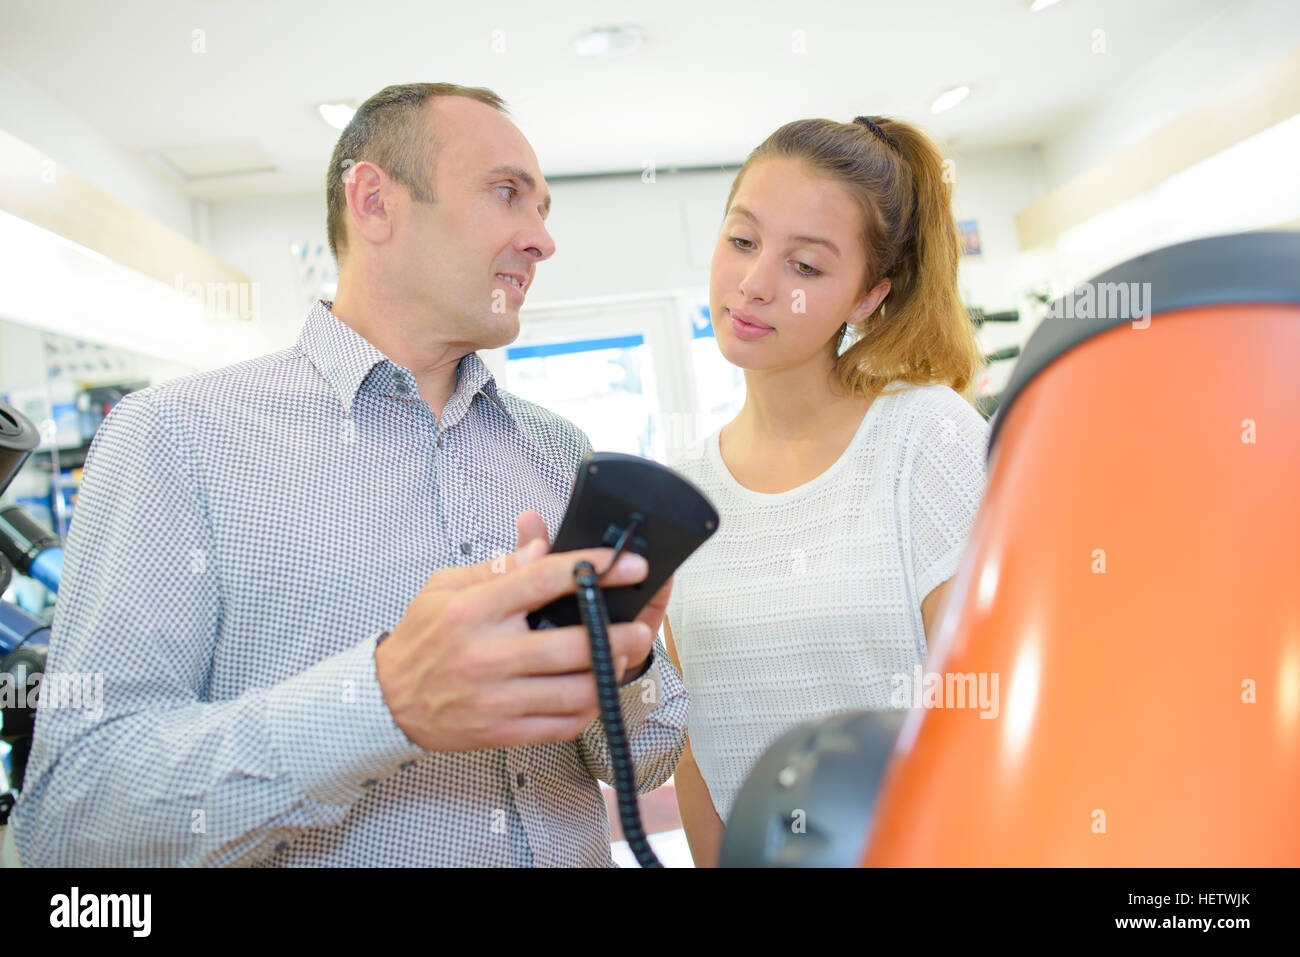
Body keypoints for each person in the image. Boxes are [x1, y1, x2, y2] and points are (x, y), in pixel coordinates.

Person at [12, 82, 688, 867]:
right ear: (373, 202)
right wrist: (384, 701)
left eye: (543, 209)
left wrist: (629, 665)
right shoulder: (175, 438)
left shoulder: (558, 450)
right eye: (507, 194)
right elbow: (72, 813)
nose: (541, 239)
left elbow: (644, 762)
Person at [663, 115, 990, 867]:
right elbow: (696, 752)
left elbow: (988, 715)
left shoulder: (926, 439)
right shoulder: (684, 488)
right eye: (742, 241)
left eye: (805, 267)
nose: (754, 283)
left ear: (868, 296)